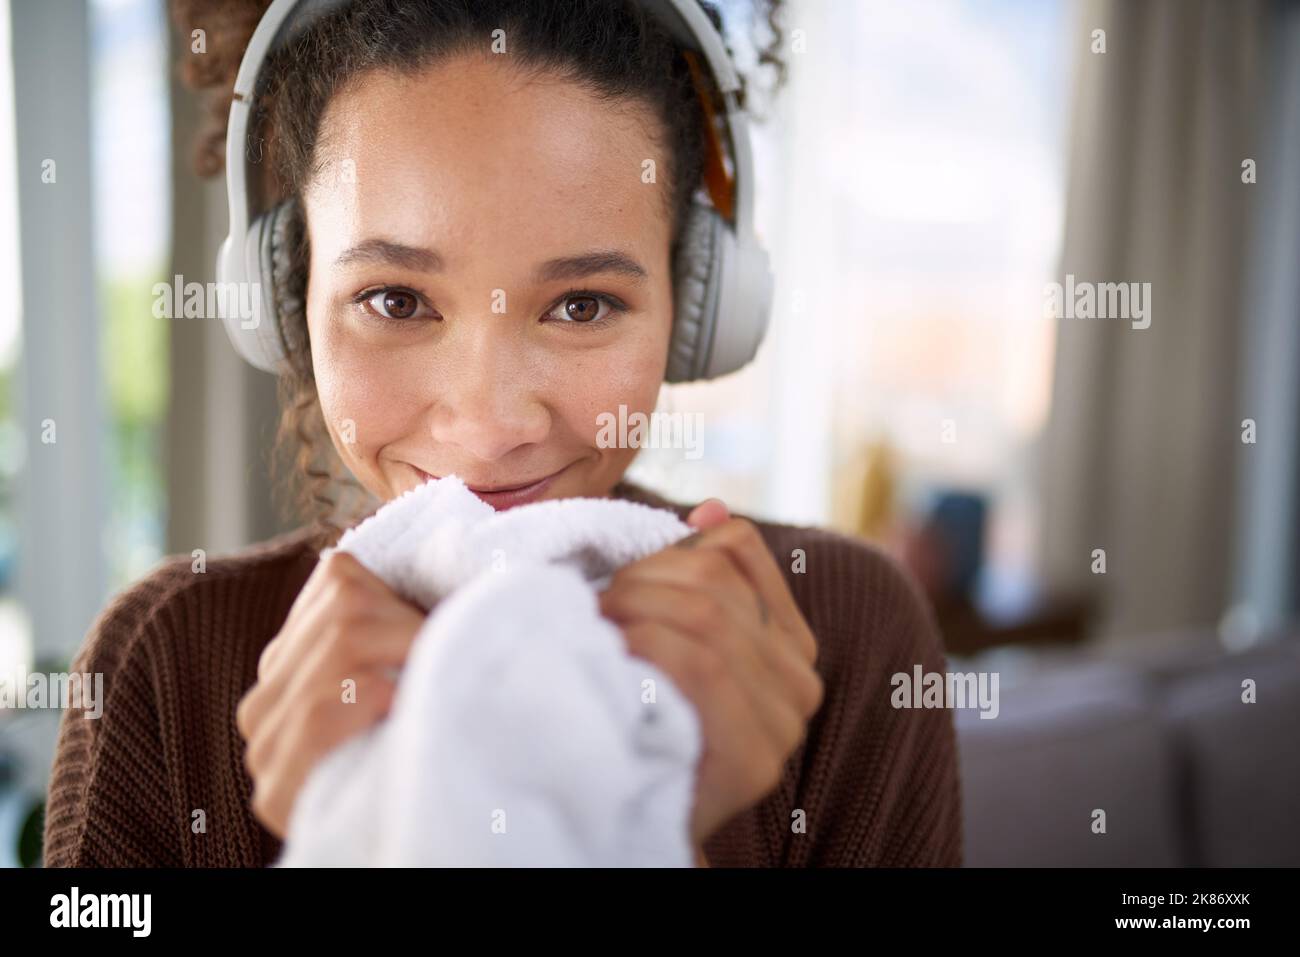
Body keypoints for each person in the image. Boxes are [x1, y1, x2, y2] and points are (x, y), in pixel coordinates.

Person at [43, 0, 962, 867]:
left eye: (581, 304)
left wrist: (692, 818)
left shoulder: (844, 633)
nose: (486, 430)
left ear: (696, 304)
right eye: (394, 300)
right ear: (284, 296)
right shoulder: (161, 666)